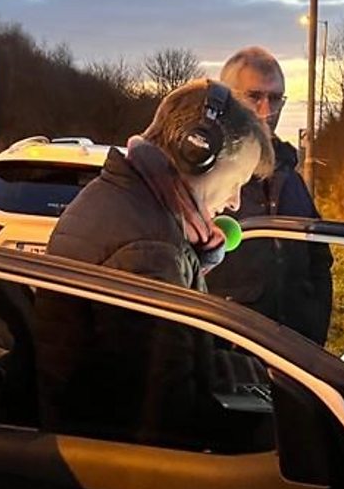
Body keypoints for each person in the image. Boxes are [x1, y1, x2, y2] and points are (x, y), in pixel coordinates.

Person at [35, 79, 274, 451]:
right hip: (108, 467)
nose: (234, 202)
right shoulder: (148, 251)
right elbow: (166, 418)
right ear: (198, 152)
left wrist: (191, 258)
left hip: (83, 436)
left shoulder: (125, 199)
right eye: (236, 181)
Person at [206, 46, 334, 344]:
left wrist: (315, 331)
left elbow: (319, 259)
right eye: (254, 97)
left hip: (294, 357)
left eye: (275, 98)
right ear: (226, 99)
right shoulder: (203, 177)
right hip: (227, 356)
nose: (267, 111)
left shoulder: (290, 175)